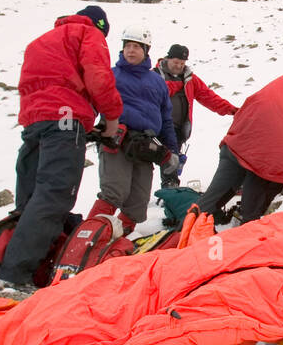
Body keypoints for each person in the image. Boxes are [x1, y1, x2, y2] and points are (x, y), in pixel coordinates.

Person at [0, 5, 122, 291]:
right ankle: (13, 277)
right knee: (55, 195)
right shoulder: (89, 34)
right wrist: (111, 119)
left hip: (34, 122)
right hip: (64, 121)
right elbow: (98, 76)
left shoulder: (42, 41)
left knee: (30, 199)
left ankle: (12, 265)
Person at [91, 26, 181, 236]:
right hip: (116, 141)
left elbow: (166, 119)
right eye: (127, 46)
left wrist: (172, 151)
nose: (130, 51)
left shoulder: (157, 81)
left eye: (136, 47)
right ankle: (88, 241)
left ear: (146, 50)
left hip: (145, 147)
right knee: (113, 193)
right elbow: (92, 103)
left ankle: (115, 241)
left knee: (137, 204)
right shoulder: (111, 75)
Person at [154, 43, 238, 187]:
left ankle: (170, 187)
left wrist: (231, 110)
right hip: (157, 125)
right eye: (176, 62)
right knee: (150, 159)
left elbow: (208, 97)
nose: (179, 66)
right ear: (168, 58)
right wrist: (176, 86)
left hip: (178, 128)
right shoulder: (155, 75)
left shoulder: (190, 79)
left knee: (172, 158)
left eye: (182, 63)